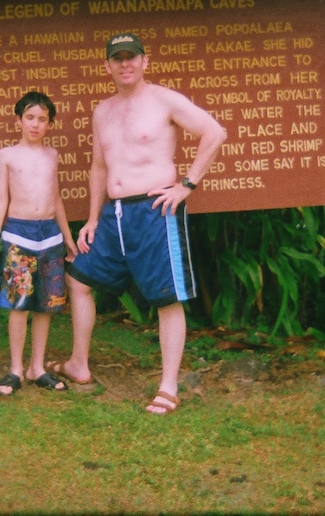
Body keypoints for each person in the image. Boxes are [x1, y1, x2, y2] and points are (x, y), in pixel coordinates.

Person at [50, 32, 226, 414]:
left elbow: (214, 132)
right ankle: (79, 364)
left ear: (145, 62)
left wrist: (187, 185)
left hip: (155, 210)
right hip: (113, 215)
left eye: (132, 57)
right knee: (79, 278)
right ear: (108, 66)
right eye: (118, 59)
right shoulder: (103, 110)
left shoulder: (164, 100)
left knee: (166, 297)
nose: (125, 64)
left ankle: (168, 386)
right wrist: (93, 217)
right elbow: (98, 166)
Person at [0, 91, 78, 396]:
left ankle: (36, 367)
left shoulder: (53, 155)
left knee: (46, 305)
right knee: (18, 304)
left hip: (49, 235)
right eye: (30, 118)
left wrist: (68, 237)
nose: (35, 124)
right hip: (17, 236)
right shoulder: (7, 155)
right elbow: (1, 198)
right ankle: (14, 368)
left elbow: (57, 197)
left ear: (50, 124)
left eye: (42, 119)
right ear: (19, 120)